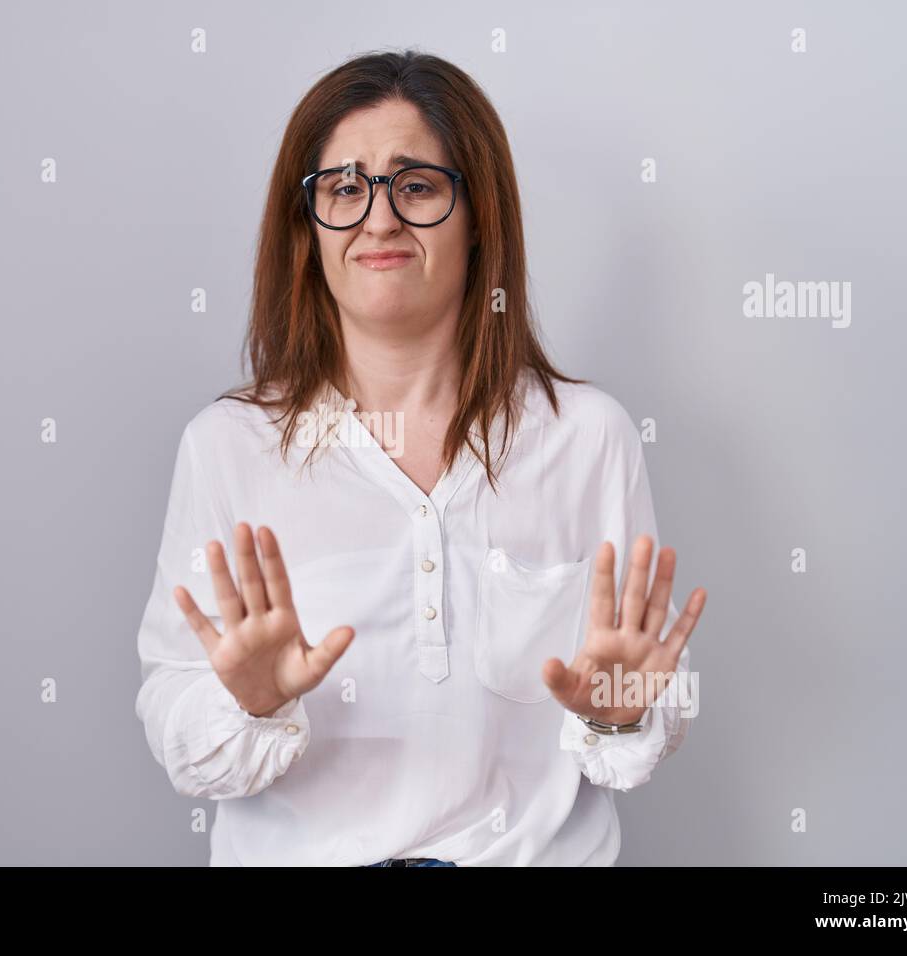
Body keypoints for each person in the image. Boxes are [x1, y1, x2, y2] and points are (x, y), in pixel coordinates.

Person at [134, 48, 707, 866]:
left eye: (417, 186)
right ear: (307, 232)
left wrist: (616, 707)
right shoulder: (228, 445)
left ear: (481, 221)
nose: (378, 220)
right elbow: (173, 713)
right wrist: (250, 706)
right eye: (343, 188)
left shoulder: (588, 436)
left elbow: (648, 705)